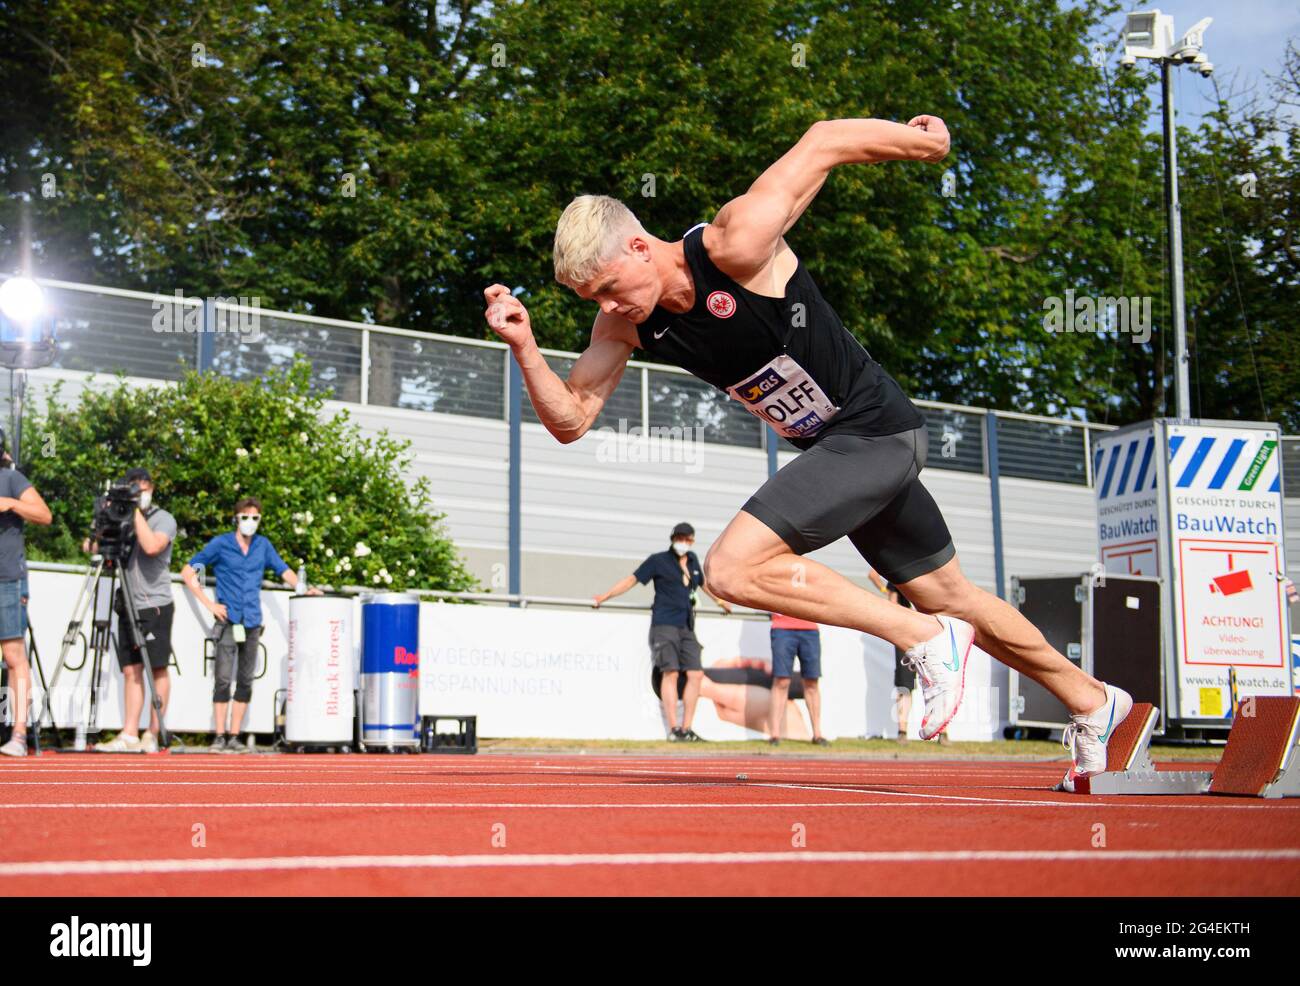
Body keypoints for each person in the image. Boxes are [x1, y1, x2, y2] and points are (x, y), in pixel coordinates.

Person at [484, 114, 1131, 791]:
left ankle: (922, 639)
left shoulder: (736, 244)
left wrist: (926, 144)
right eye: (595, 300)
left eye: (612, 287)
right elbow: (572, 418)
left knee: (731, 568)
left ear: (642, 248)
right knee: (953, 596)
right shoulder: (624, 324)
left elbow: (823, 141)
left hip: (875, 430)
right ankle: (1093, 700)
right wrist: (526, 348)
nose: (611, 307)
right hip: (841, 454)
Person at [181, 496, 319, 752]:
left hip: (252, 621)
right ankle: (219, 736)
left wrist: (306, 589)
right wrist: (209, 604)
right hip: (228, 619)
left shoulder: (262, 546)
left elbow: (284, 570)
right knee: (222, 679)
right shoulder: (220, 544)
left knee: (245, 680)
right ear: (236, 518)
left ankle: (235, 735)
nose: (250, 522)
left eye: (255, 518)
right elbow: (189, 570)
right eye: (246, 517)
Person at [594, 522, 732, 740]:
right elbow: (632, 579)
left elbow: (702, 583)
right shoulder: (658, 561)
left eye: (687, 539)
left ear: (692, 541)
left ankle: (687, 729)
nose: (683, 543)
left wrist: (719, 601)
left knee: (695, 674)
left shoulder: (694, 560)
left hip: (687, 626)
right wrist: (605, 596)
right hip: (664, 623)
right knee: (671, 672)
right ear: (673, 538)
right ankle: (674, 729)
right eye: (679, 538)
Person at [91, 468, 176, 753]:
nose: (137, 495)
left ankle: (152, 732)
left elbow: (152, 546)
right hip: (126, 601)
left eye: (141, 489)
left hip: (154, 603)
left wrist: (134, 512)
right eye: (132, 490)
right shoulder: (123, 516)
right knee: (131, 670)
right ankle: (129, 732)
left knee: (158, 667)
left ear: (151, 488)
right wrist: (104, 521)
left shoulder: (164, 518)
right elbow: (90, 547)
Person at [0, 442, 52, 757]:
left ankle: (18, 735)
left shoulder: (11, 478)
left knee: (13, 654)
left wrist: (10, 503)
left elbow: (44, 515)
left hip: (7, 578)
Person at [888, 582, 949, 744]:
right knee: (905, 684)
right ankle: (902, 731)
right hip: (906, 636)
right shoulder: (897, 574)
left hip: (930, 635)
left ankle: (942, 731)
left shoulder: (934, 575)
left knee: (937, 683)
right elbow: (891, 603)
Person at [767, 612, 825, 746]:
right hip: (782, 627)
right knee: (781, 680)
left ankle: (817, 734)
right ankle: (774, 734)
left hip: (810, 627)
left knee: (812, 681)